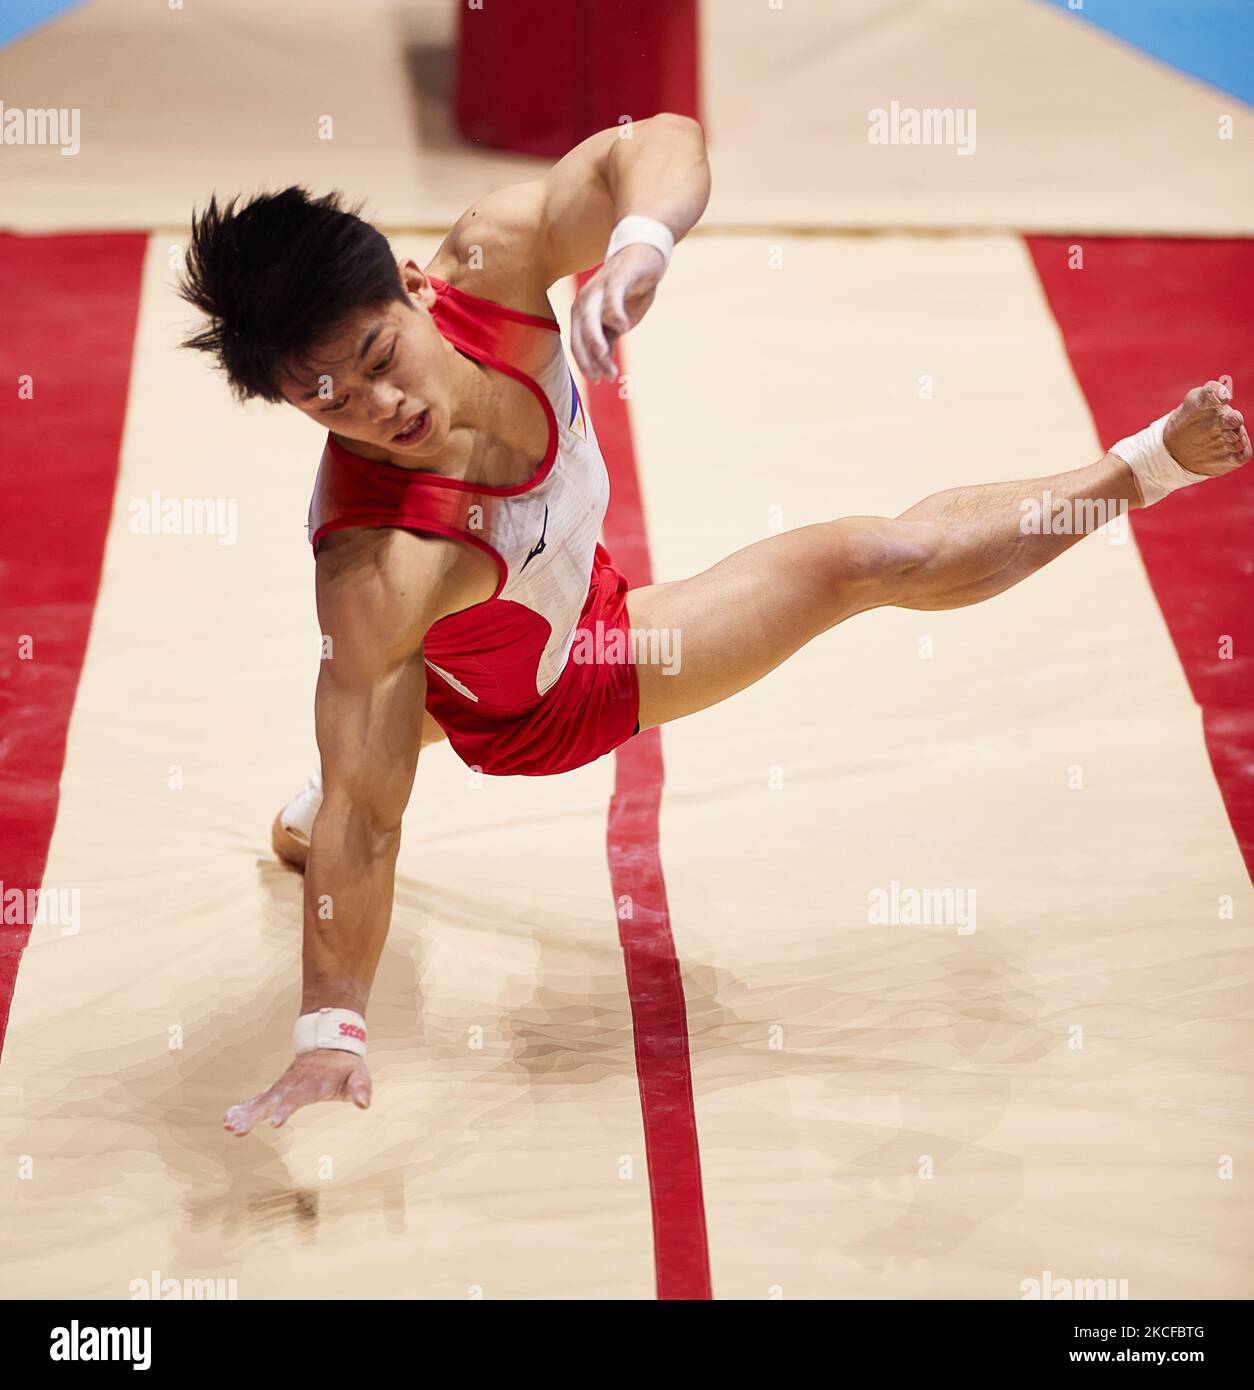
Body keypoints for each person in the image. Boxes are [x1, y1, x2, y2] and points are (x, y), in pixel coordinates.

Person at [175, 114, 1250, 1136]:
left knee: (343, 787)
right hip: (555, 684)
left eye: (377, 357)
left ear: (415, 285)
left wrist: (642, 243)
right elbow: (372, 823)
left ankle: (322, 794)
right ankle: (1147, 465)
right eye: (330, 403)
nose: (380, 407)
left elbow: (659, 142)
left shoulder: (494, 261)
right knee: (865, 563)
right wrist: (331, 1026)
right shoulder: (380, 573)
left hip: (541, 602)